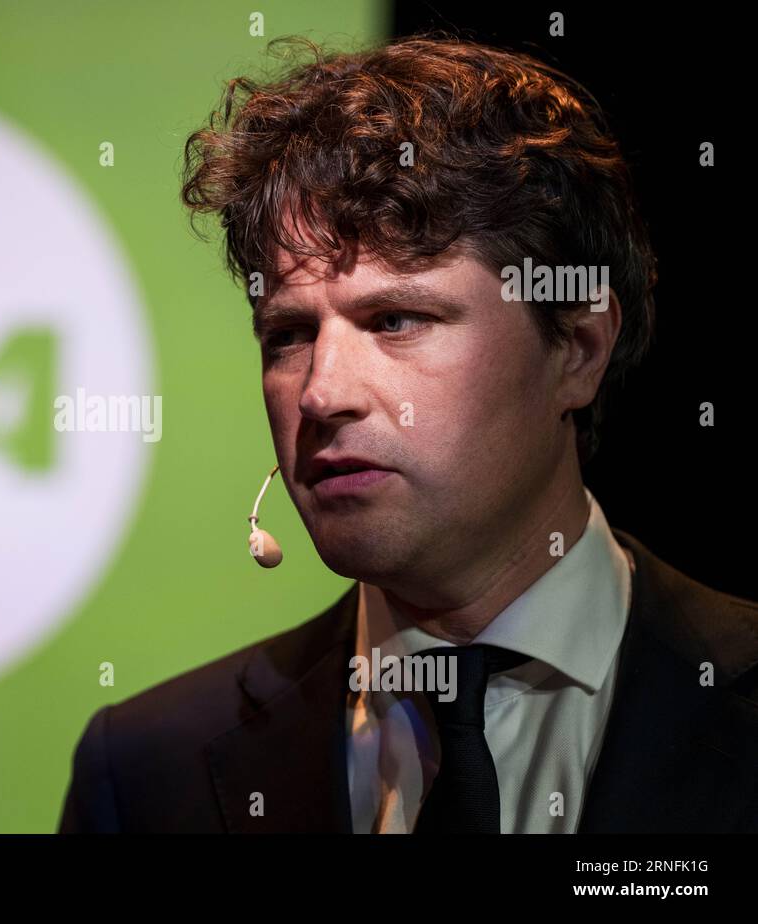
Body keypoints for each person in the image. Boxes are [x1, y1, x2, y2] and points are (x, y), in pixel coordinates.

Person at [57, 34, 758, 833]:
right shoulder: (148, 774)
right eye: (288, 334)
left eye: (396, 319)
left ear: (577, 349)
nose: (320, 393)